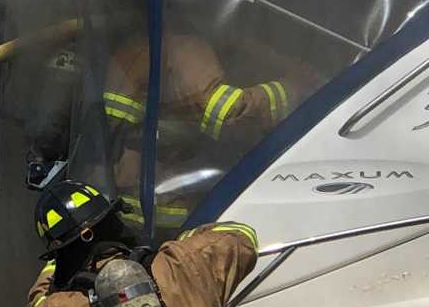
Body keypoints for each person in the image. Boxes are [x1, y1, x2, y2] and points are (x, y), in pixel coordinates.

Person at [23, 180, 258, 307]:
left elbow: (36, 304)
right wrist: (179, 244)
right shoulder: (182, 262)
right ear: (114, 223)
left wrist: (58, 264)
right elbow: (241, 235)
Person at [104, 23, 293, 235]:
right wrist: (297, 88)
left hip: (127, 213)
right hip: (169, 220)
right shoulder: (187, 49)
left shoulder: (133, 50)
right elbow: (230, 113)